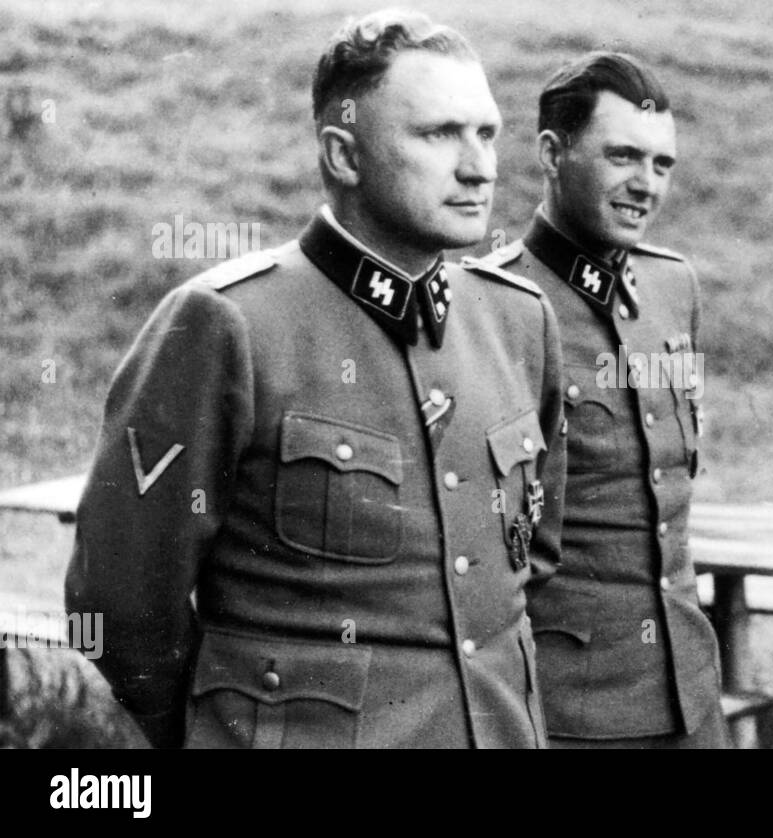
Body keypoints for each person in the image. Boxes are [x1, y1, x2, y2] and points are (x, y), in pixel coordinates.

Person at [64, 9, 565, 749]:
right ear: (343, 154)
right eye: (437, 135)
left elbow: (529, 560)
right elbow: (119, 605)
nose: (479, 166)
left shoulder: (519, 320)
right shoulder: (227, 324)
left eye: (486, 132)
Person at [481, 52, 726, 748]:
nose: (645, 185)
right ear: (553, 154)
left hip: (691, 694)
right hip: (567, 711)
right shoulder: (494, 306)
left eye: (662, 164)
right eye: (622, 156)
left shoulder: (673, 288)